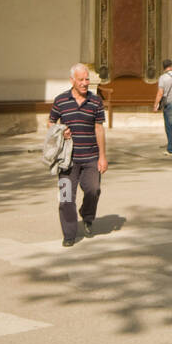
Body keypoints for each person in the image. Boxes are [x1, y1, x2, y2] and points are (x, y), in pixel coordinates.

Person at [49, 63, 108, 247]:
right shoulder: (60, 100)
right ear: (72, 80)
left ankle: (87, 216)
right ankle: (69, 234)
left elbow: (99, 128)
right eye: (81, 79)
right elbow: (50, 123)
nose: (85, 83)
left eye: (87, 79)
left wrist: (102, 156)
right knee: (66, 197)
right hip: (67, 161)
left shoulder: (96, 101)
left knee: (93, 190)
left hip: (90, 157)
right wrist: (60, 130)